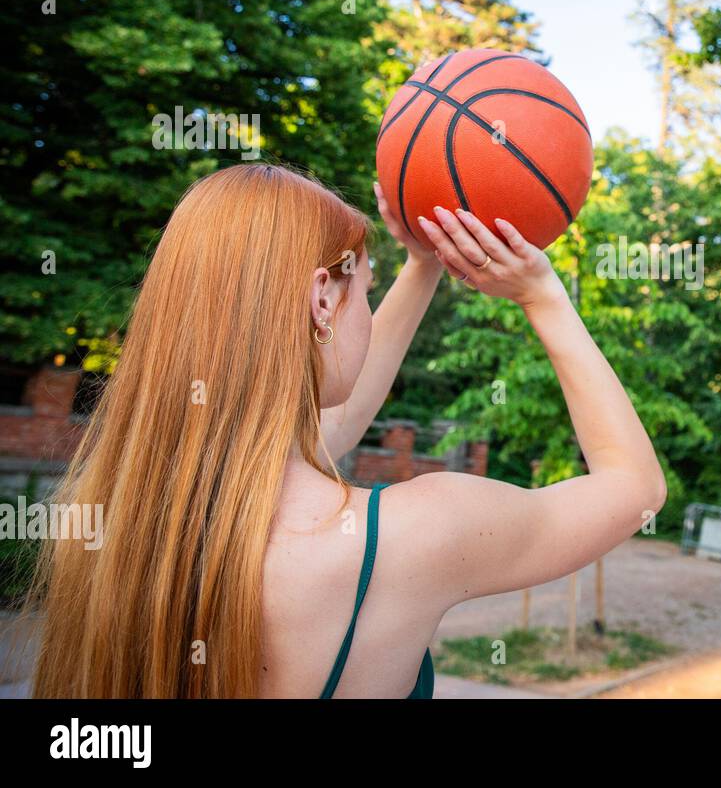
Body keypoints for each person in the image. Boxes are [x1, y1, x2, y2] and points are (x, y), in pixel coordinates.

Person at [26, 163, 666, 698]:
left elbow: (332, 418)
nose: (366, 306)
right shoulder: (414, 535)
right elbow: (634, 486)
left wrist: (422, 265)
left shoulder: (113, 516)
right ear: (322, 302)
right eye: (364, 287)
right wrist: (542, 295)